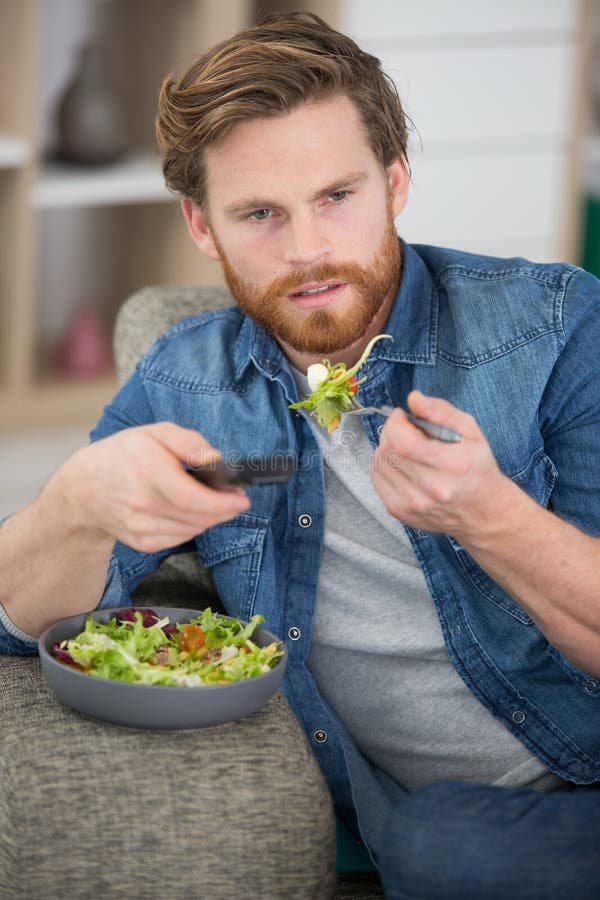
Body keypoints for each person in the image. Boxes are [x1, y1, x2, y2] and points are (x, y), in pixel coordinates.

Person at [2, 11, 600, 897]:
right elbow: (17, 622)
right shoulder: (184, 384)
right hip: (440, 827)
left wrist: (492, 519)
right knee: (438, 844)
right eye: (259, 214)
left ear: (394, 183)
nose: (309, 250)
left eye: (337, 197)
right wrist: (72, 509)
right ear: (202, 227)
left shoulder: (554, 328)